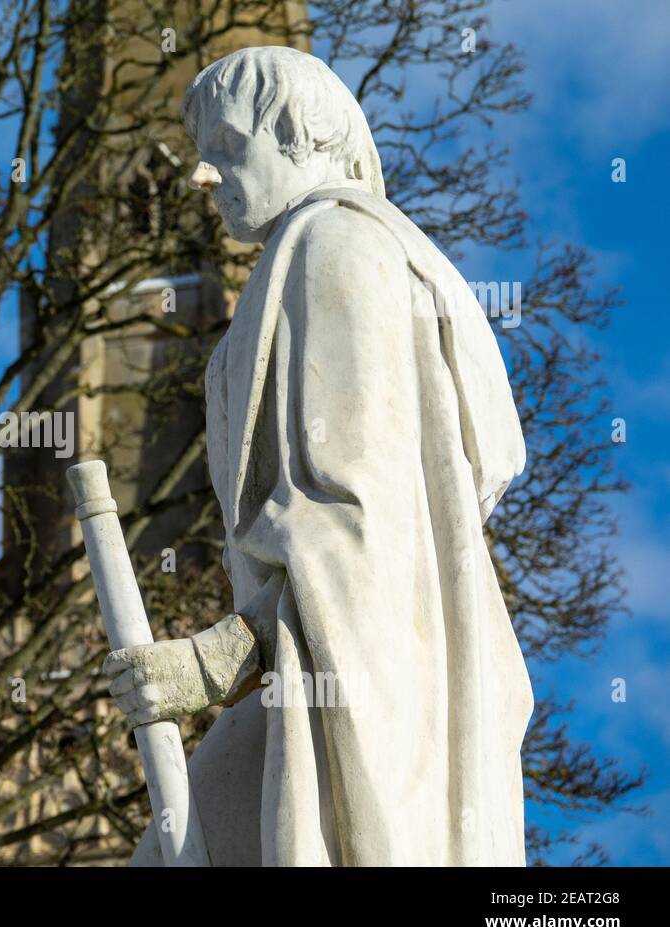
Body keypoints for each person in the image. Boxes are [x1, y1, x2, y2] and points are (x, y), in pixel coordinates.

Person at [103, 46, 534, 866]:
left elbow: (358, 504)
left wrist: (216, 654)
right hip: (311, 658)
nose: (202, 176)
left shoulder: (337, 246)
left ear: (304, 135)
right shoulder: (307, 257)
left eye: (227, 146)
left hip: (346, 665)